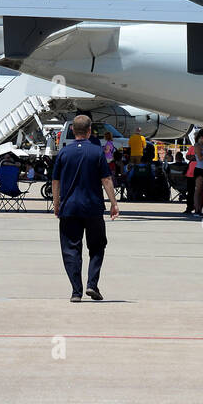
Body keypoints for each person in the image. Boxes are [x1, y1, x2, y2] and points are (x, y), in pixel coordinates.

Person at [52, 114, 119, 301]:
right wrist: (114, 203)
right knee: (97, 246)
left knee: (71, 249)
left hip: (69, 208)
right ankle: (92, 284)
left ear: (73, 130)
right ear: (90, 131)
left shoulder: (64, 153)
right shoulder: (97, 152)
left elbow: (55, 181)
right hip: (93, 208)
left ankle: (76, 291)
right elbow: (106, 179)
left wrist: (56, 204)